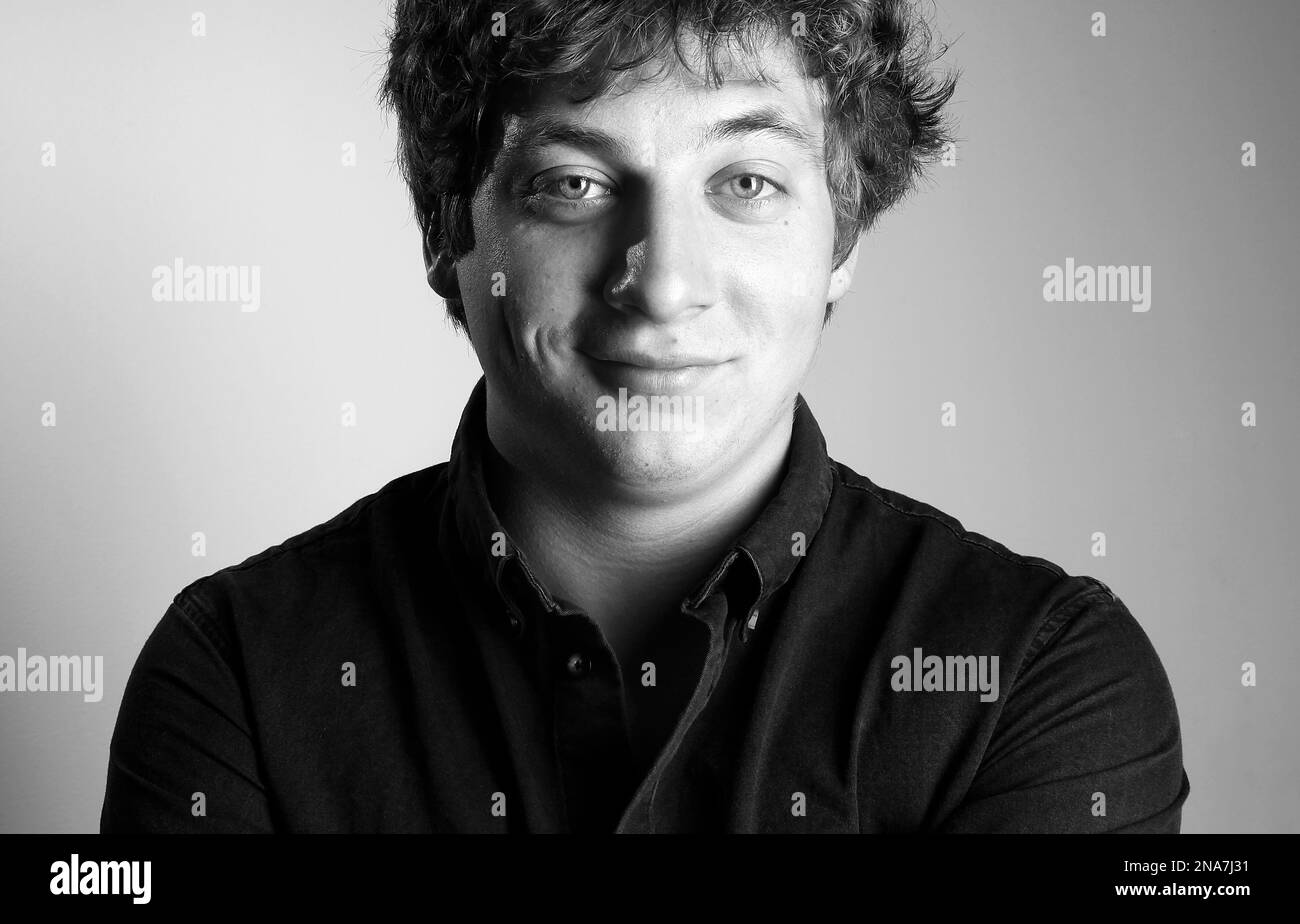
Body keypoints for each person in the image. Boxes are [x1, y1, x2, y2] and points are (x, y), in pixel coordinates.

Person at [101, 0, 1189, 832]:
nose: (664, 283)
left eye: (747, 182)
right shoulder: (237, 675)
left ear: (841, 237)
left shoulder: (1042, 682)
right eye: (573, 184)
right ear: (447, 233)